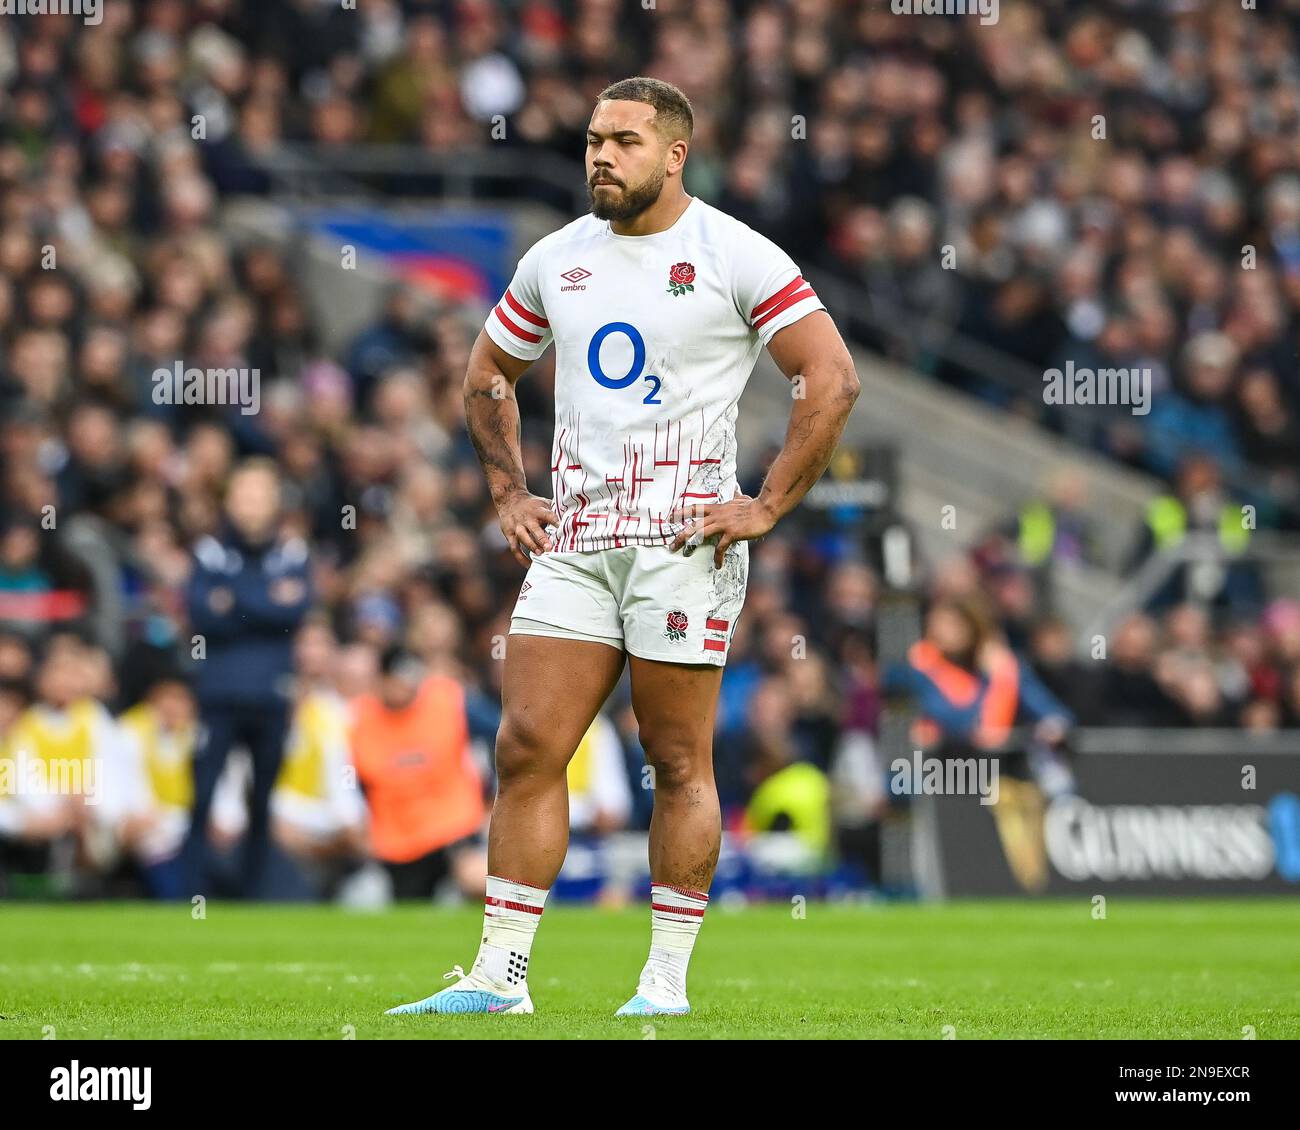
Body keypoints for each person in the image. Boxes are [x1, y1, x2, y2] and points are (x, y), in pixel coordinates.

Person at [386, 76, 860, 1019]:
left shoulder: (733, 252)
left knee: (676, 761)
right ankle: (500, 978)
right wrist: (508, 490)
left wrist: (765, 506)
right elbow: (488, 376)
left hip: (683, 541)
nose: (602, 155)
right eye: (594, 139)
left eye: (626, 142)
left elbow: (831, 377)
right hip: (576, 538)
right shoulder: (557, 258)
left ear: (675, 154)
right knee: (526, 748)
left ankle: (665, 981)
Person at [181, 458, 313, 899]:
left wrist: (234, 597)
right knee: (200, 795)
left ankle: (253, 894)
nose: (251, 504)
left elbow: (293, 613)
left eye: (260, 493)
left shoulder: (292, 551)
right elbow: (202, 615)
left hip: (272, 694)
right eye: (243, 493)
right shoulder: (209, 550)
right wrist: (264, 602)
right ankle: (188, 892)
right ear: (229, 500)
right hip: (218, 693)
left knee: (262, 801)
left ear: (275, 500)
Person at [350, 647, 486, 900]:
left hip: (453, 827)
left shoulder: (447, 700)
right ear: (382, 679)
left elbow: (503, 734)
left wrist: (495, 802)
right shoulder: (359, 718)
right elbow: (348, 778)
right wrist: (355, 820)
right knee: (390, 904)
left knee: (476, 877)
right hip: (397, 841)